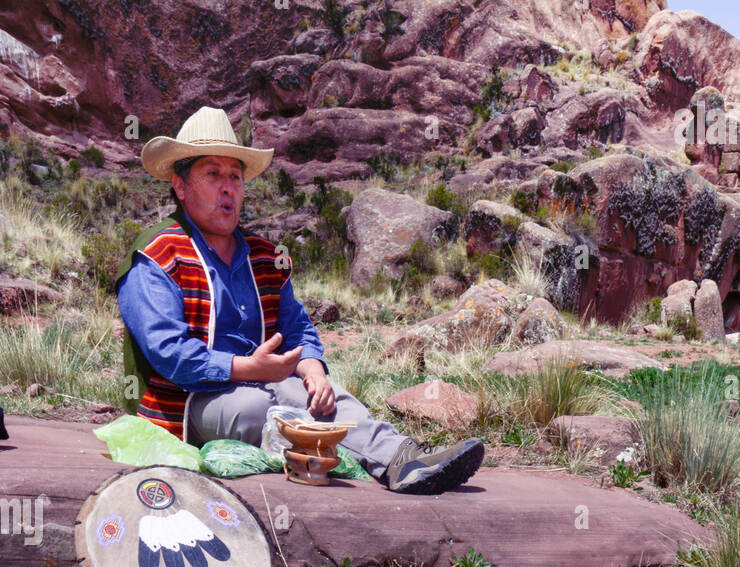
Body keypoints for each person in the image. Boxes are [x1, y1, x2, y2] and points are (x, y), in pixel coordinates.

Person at [116, 106, 485, 494]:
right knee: (264, 408)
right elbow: (170, 354)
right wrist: (248, 368)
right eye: (212, 174)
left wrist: (312, 370)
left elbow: (297, 327)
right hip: (188, 403)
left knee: (309, 395)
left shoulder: (265, 257)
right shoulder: (156, 256)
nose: (228, 188)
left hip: (266, 382)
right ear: (180, 185)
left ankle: (400, 460)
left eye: (235, 177)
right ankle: (361, 455)